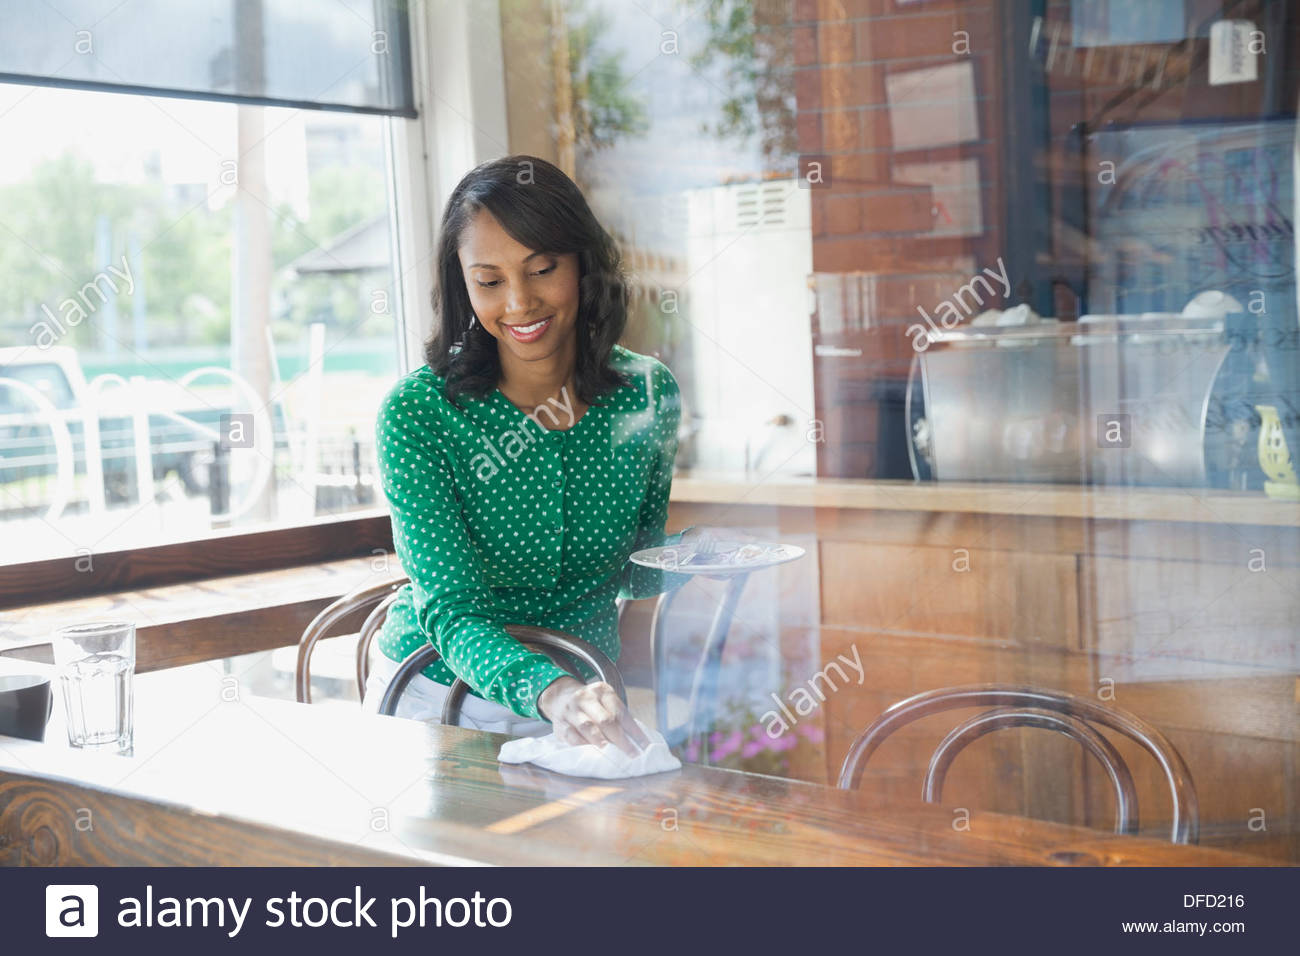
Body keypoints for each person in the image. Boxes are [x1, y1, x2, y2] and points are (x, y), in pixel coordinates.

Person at [362, 154, 687, 756]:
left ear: (583, 266)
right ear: (463, 285)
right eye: (489, 281)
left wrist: (705, 563)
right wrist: (553, 689)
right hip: (439, 705)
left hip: (589, 707)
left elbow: (639, 574)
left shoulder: (647, 393)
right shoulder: (418, 414)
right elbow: (454, 610)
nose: (519, 303)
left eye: (541, 270)